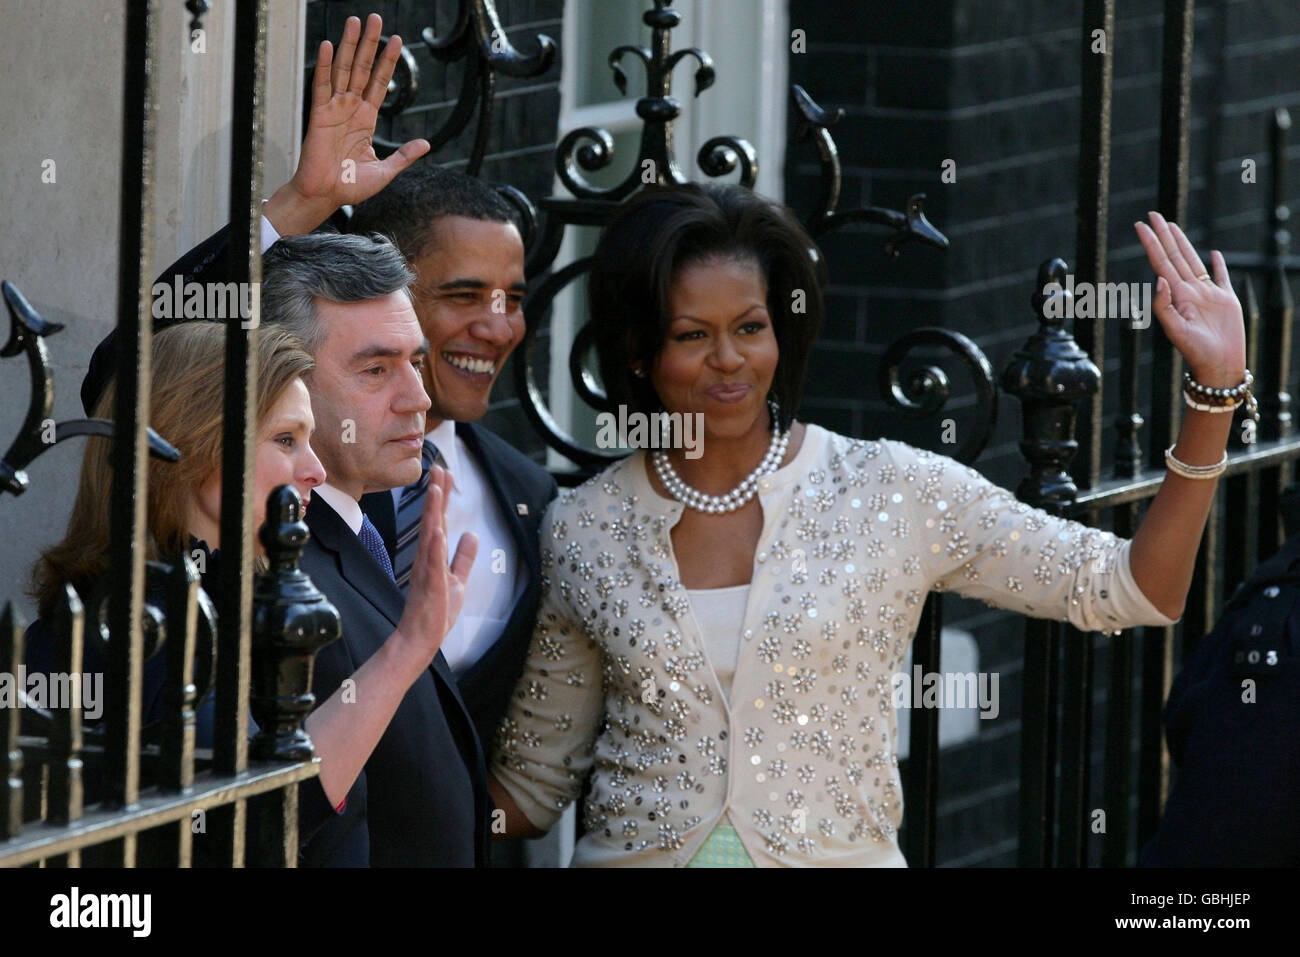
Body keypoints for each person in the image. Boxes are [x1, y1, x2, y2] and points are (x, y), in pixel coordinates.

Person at [486, 184, 1249, 866]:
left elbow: (1135, 589)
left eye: (750, 327)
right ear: (641, 353)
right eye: (692, 335)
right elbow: (530, 784)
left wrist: (1212, 396)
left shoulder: (891, 489)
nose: (730, 360)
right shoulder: (585, 527)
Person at [26, 322, 323, 769]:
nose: (316, 470)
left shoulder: (232, 606)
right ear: (191, 442)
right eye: (286, 440)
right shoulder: (129, 634)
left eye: (309, 441)